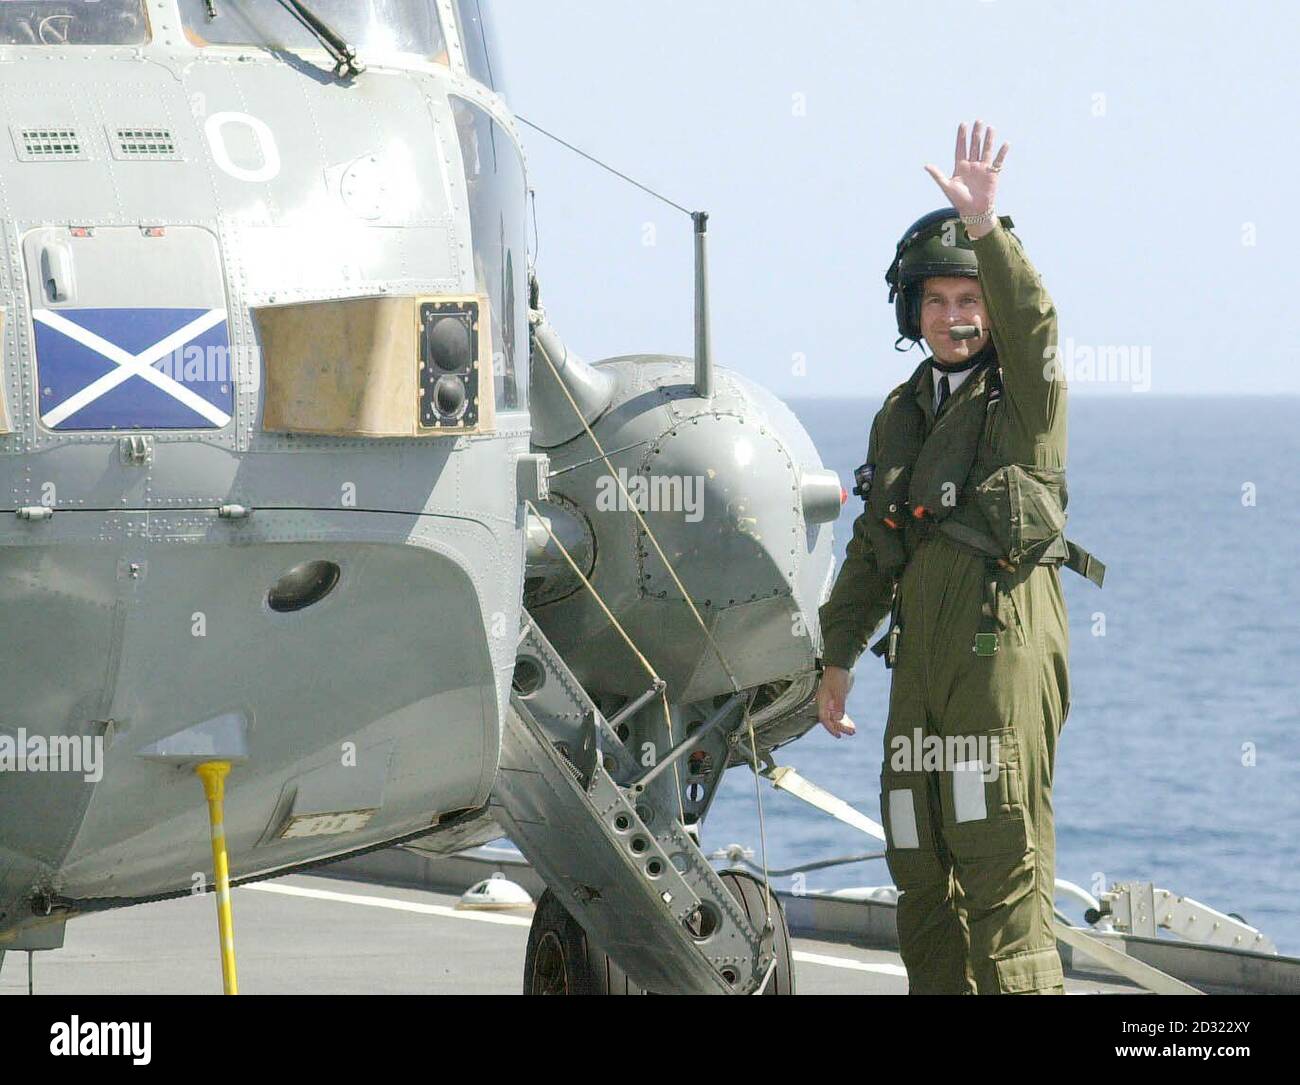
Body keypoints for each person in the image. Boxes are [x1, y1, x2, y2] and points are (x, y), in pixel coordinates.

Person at [816, 120, 1103, 994]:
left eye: (970, 301)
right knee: (916, 847)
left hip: (998, 645)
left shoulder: (1028, 397)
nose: (955, 317)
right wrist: (835, 657)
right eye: (937, 302)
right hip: (922, 661)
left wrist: (986, 229)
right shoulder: (902, 412)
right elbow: (875, 547)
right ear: (914, 311)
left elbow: (1036, 321)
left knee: (998, 851)